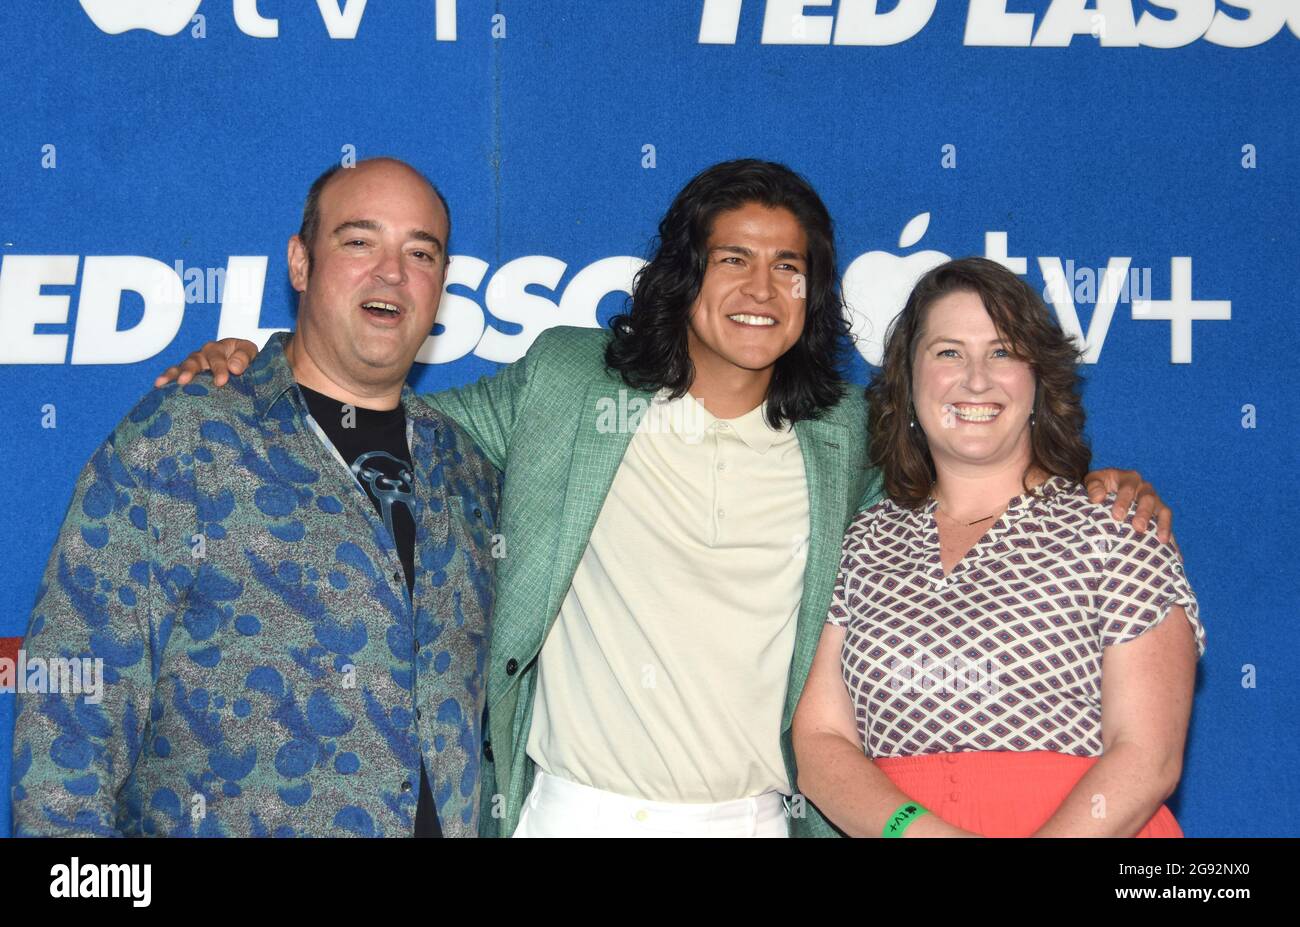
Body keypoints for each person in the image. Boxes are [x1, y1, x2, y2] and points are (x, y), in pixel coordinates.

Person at [154, 160, 1171, 837]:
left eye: (790, 267)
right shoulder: (568, 383)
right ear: (686, 274)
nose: (761, 290)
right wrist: (271, 360)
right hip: (569, 813)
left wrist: (1099, 486)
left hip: (750, 818)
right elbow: (398, 429)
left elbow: (968, 460)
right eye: (733, 259)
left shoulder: (840, 436)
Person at [11, 158, 499, 837]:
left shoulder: (468, 474)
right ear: (300, 263)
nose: (392, 271)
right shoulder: (183, 440)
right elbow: (71, 721)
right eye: (360, 241)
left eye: (421, 252)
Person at [792, 256, 1204, 837]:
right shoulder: (866, 540)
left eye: (1003, 352)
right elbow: (820, 744)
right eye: (948, 352)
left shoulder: (1115, 527)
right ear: (908, 384)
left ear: (1040, 380)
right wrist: (916, 832)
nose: (976, 379)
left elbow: (1147, 756)